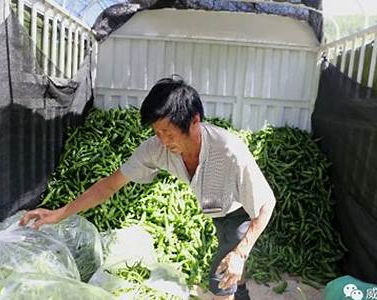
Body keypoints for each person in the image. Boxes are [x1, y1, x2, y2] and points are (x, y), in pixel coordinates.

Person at [20, 75, 276, 300]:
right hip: (216, 211)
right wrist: (58, 213)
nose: (164, 141)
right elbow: (108, 186)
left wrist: (241, 252)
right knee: (232, 270)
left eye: (169, 132)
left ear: (195, 120)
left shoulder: (229, 151)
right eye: (157, 132)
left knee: (221, 277)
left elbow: (266, 204)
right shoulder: (156, 149)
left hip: (241, 211)